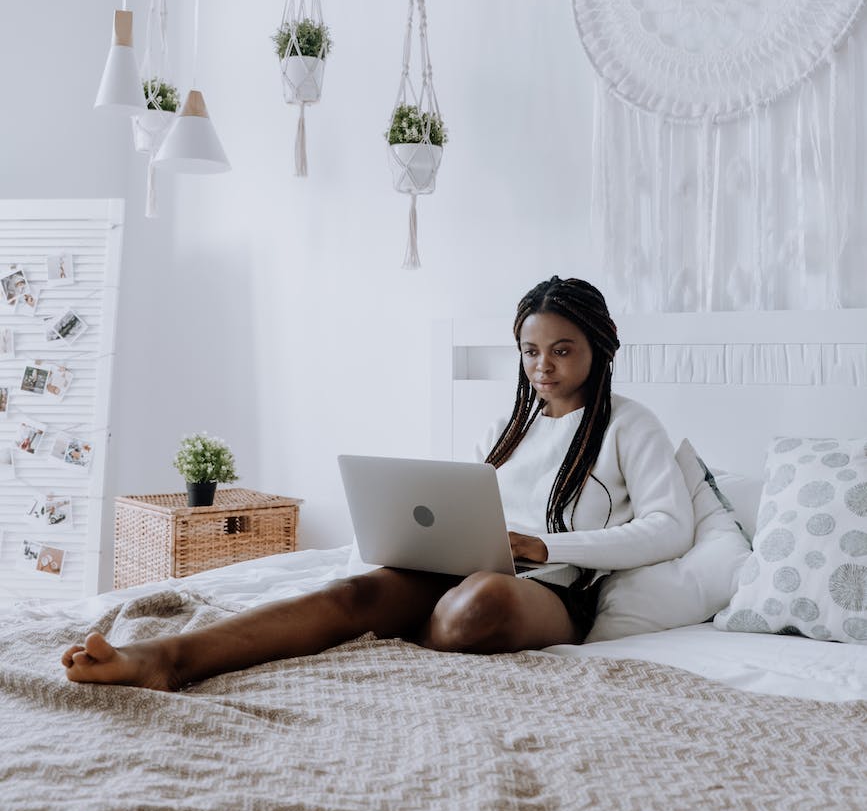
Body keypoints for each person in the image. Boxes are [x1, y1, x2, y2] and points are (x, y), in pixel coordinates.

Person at [61, 276, 693, 692]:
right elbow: (462, 503)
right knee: (348, 593)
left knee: (484, 604)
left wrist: (547, 548)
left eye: (562, 350)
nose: (543, 366)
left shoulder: (629, 425)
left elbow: (671, 528)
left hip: (553, 589)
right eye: (530, 352)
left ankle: (402, 630)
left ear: (599, 349)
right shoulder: (505, 425)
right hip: (463, 570)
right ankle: (166, 659)